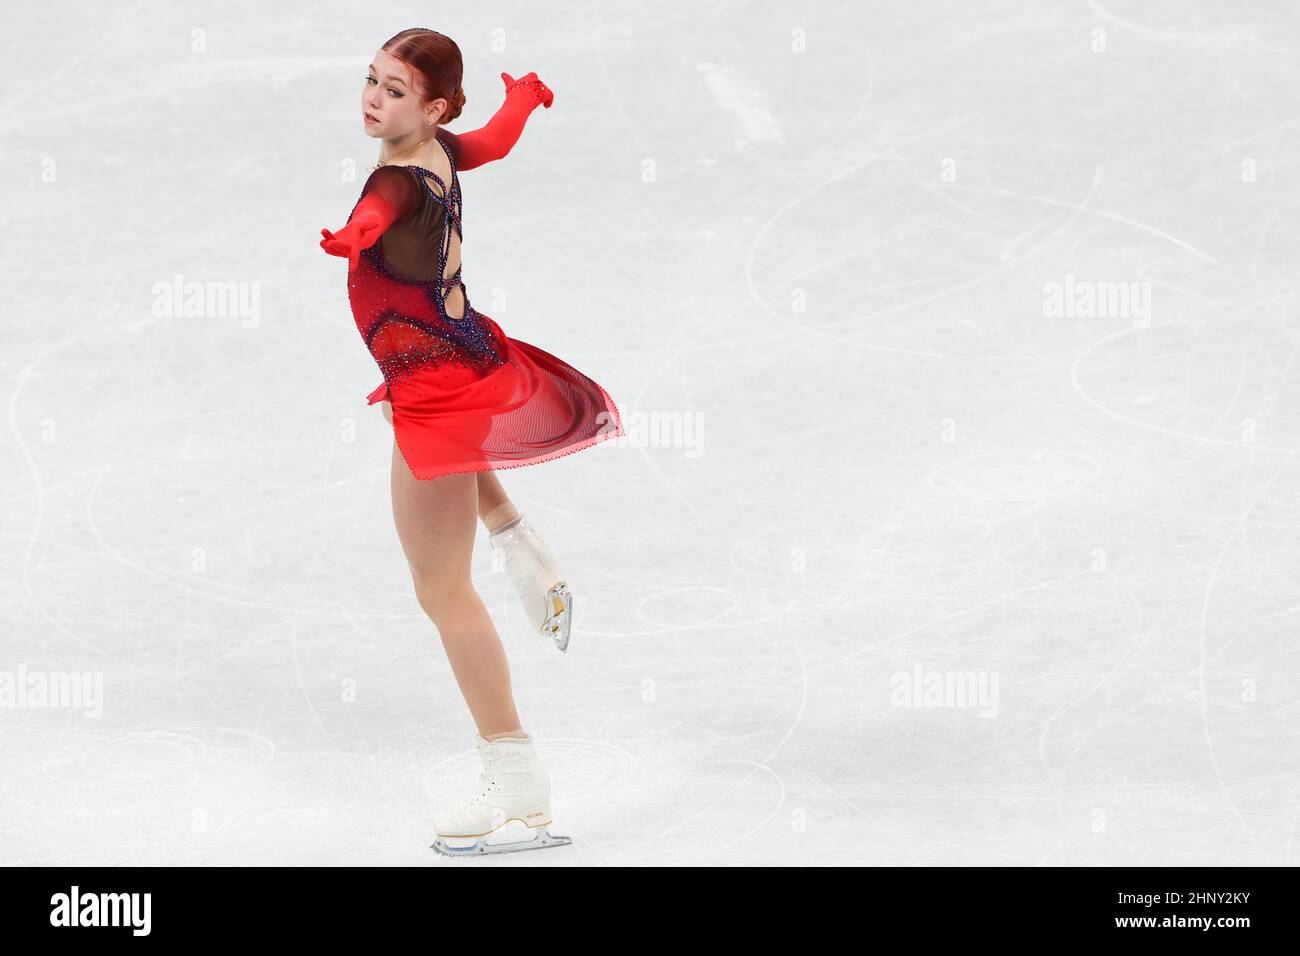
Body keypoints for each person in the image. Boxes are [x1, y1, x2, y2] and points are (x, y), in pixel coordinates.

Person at [319, 28, 623, 856]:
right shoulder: (444, 147)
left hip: (435, 382)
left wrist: (355, 237)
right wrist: (522, 97)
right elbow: (493, 139)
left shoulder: (393, 178)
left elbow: (382, 207)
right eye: (371, 80)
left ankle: (513, 767)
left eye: (394, 89)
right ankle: (524, 549)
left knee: (440, 591)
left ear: (433, 105)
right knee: (445, 501)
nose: (373, 98)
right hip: (457, 354)